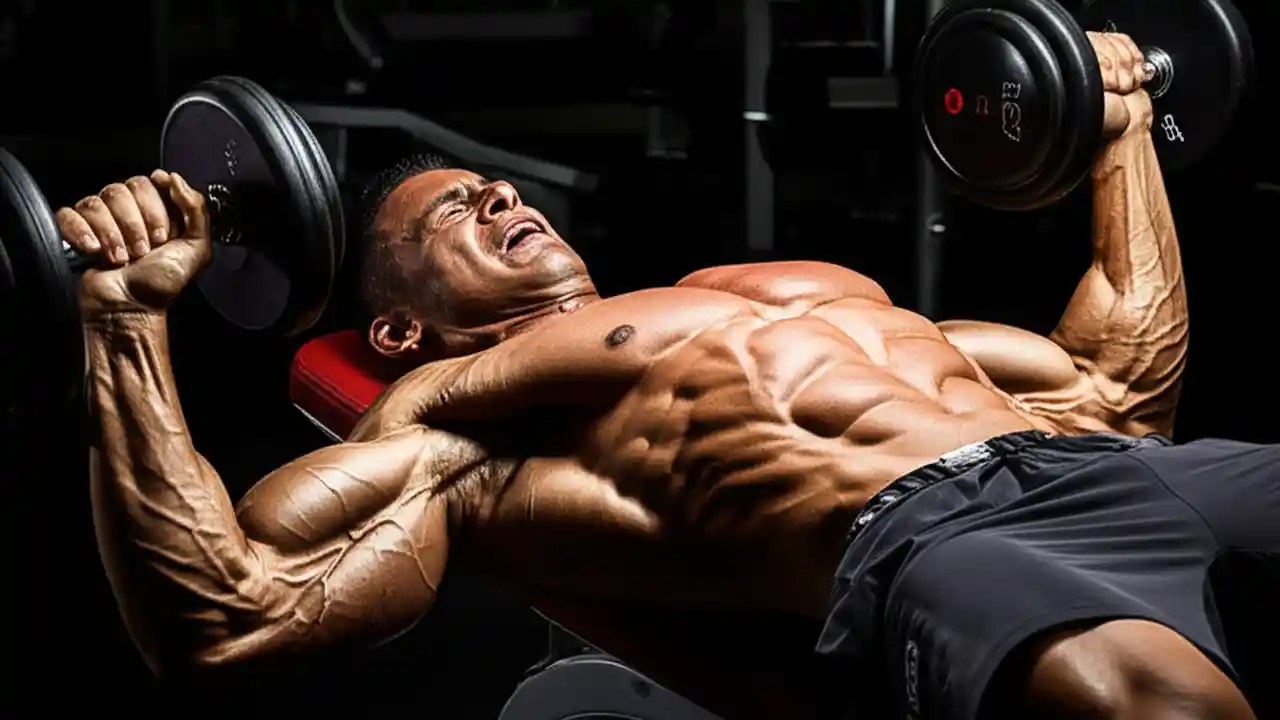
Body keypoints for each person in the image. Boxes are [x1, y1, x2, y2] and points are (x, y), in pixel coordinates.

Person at [59, 33, 1274, 720]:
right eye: (452, 216)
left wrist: (1116, 133)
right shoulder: (463, 426)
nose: (500, 192)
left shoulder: (774, 291)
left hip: (1121, 471)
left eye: (499, 187)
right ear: (397, 333)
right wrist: (124, 321)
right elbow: (228, 612)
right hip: (940, 544)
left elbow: (1115, 380)